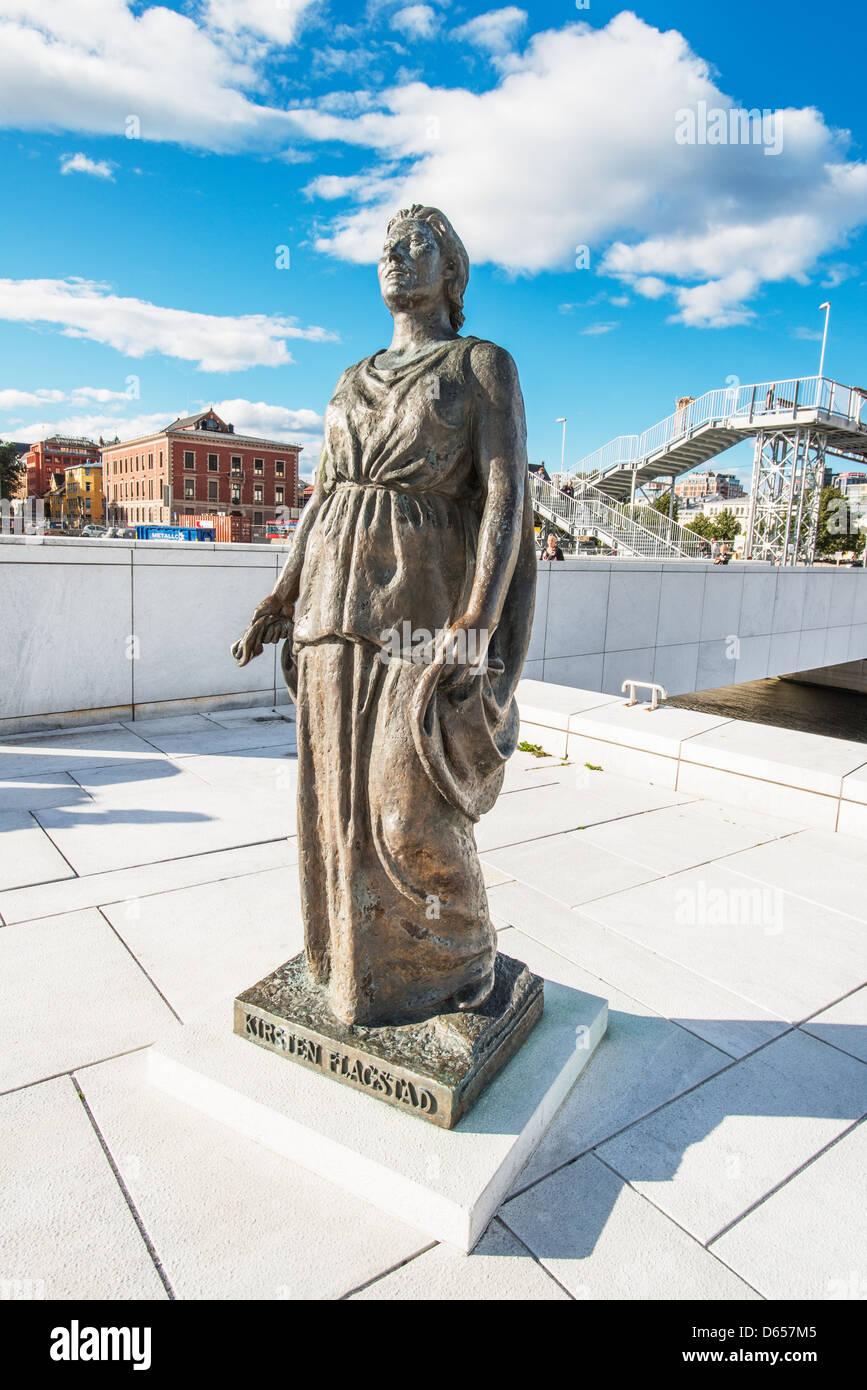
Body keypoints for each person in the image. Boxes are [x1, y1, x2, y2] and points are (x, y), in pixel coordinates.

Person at [232, 204, 536, 1027]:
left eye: (418, 243)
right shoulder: (348, 378)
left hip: (423, 609)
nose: (395, 256)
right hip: (330, 605)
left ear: (452, 270)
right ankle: (355, 977)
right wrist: (283, 589)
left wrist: (475, 621)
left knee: (408, 814)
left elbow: (507, 499)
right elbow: (324, 493)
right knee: (332, 805)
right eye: (386, 247)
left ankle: (460, 966)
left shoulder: (481, 366)